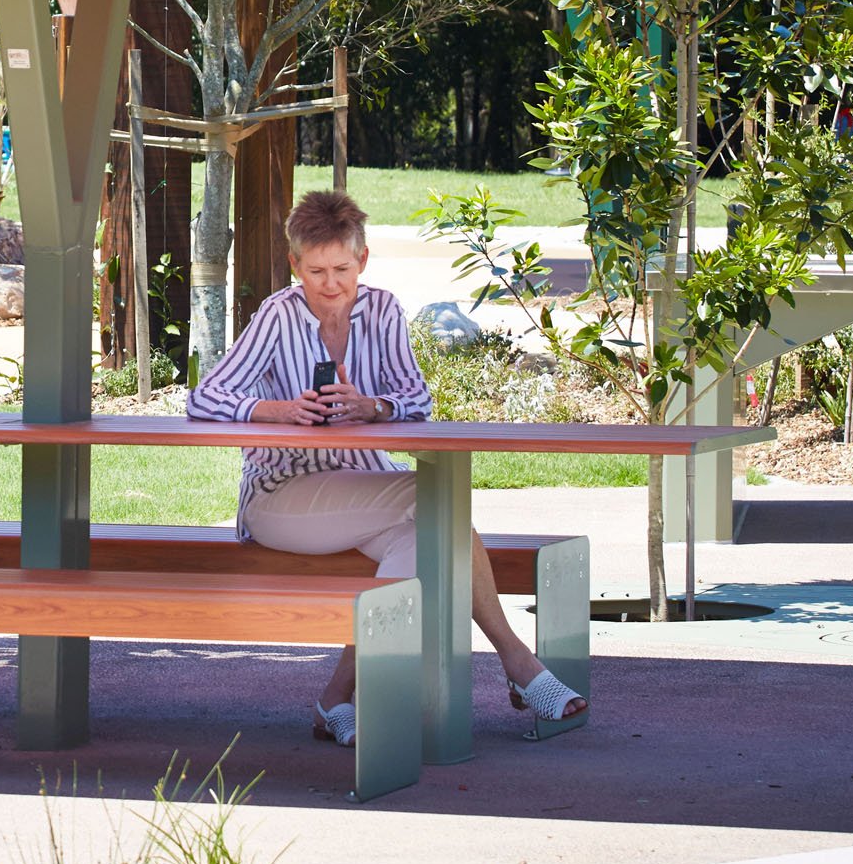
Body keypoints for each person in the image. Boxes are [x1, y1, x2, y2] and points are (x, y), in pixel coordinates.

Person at [189, 188, 587, 745]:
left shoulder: (382, 309)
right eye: (316, 270)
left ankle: (336, 700)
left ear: (364, 260)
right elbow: (204, 398)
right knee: (436, 502)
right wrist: (278, 409)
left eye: (342, 269)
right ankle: (518, 663)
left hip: (360, 490)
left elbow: (415, 398)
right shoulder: (276, 315)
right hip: (281, 495)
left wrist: (371, 407)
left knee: (437, 533)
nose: (330, 284)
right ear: (294, 265)